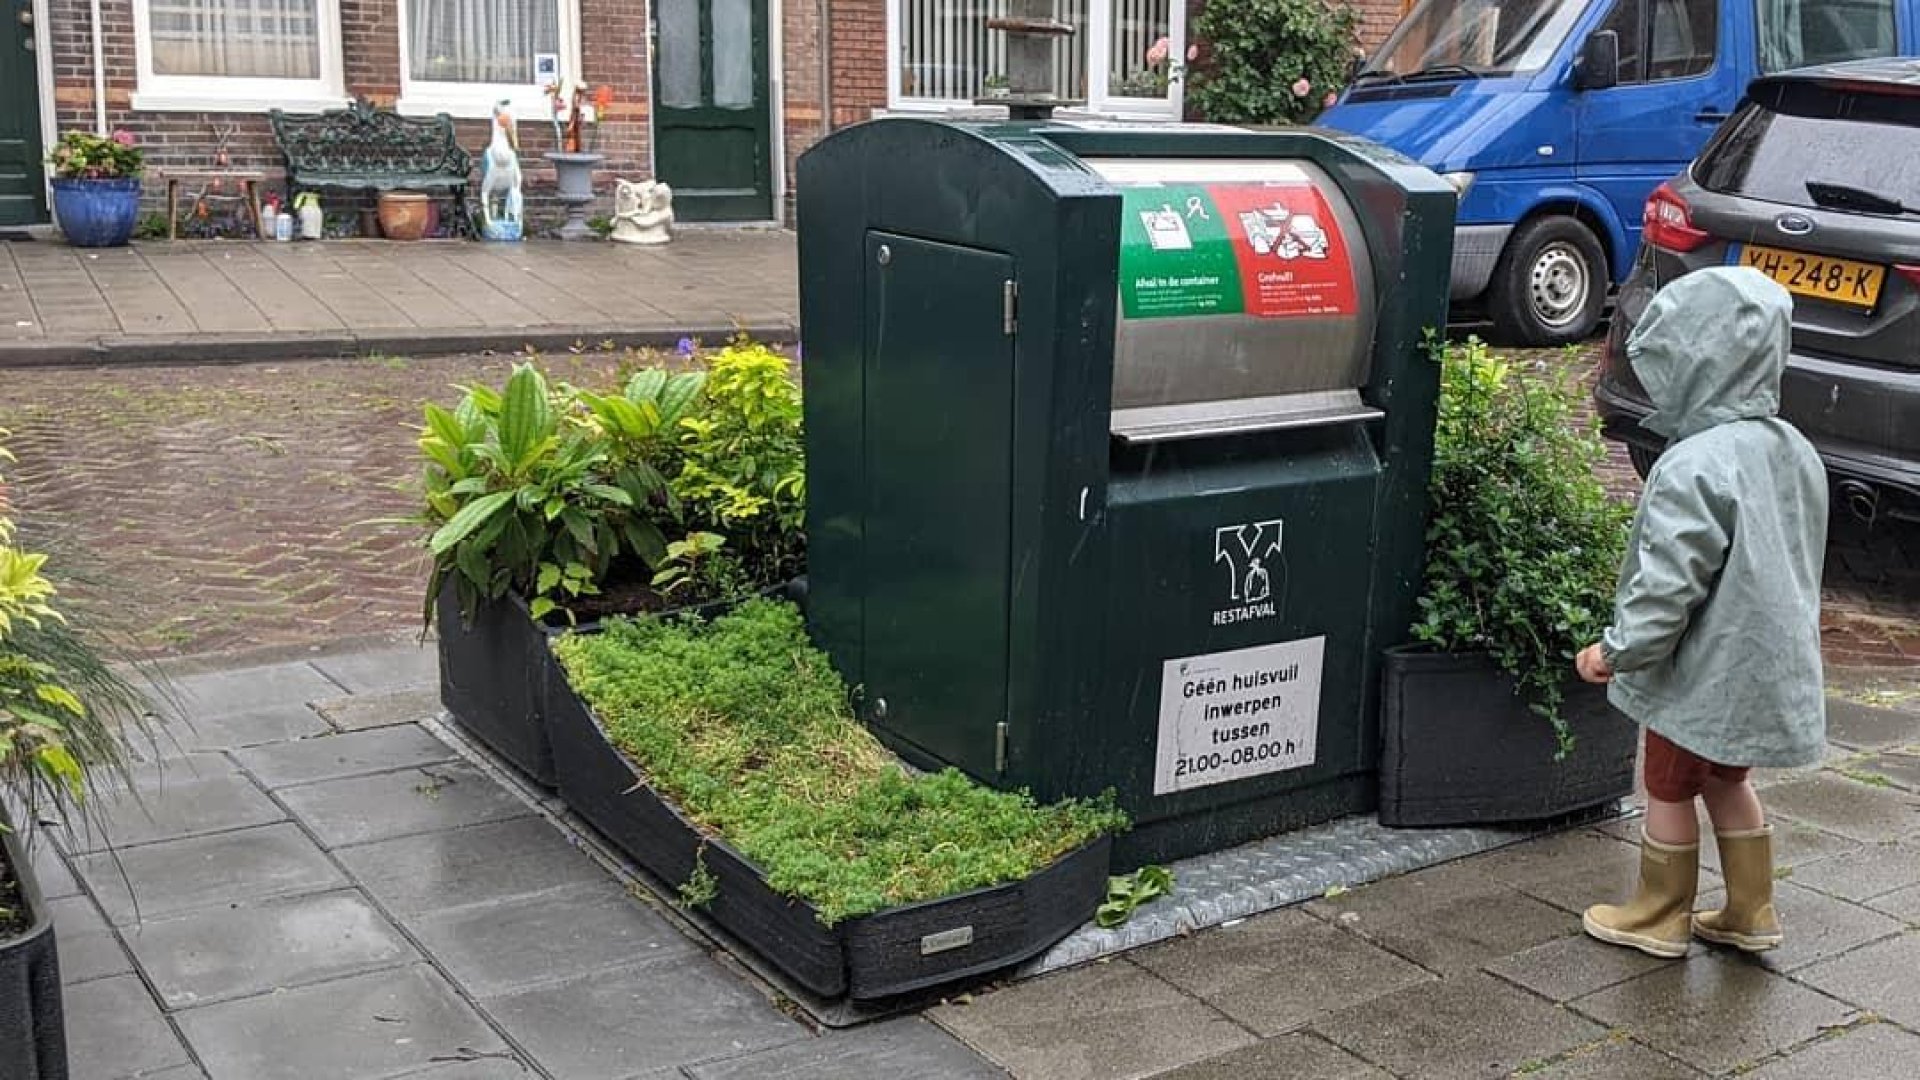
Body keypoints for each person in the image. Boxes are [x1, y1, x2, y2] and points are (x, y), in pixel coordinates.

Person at [1574, 266, 1828, 959]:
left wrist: (1616, 652)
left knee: (1668, 783)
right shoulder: (1793, 449)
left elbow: (1667, 587)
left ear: (1690, 361)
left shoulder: (1692, 466)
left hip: (1700, 674)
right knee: (1728, 779)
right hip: (1760, 665)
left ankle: (1659, 913)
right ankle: (1752, 908)